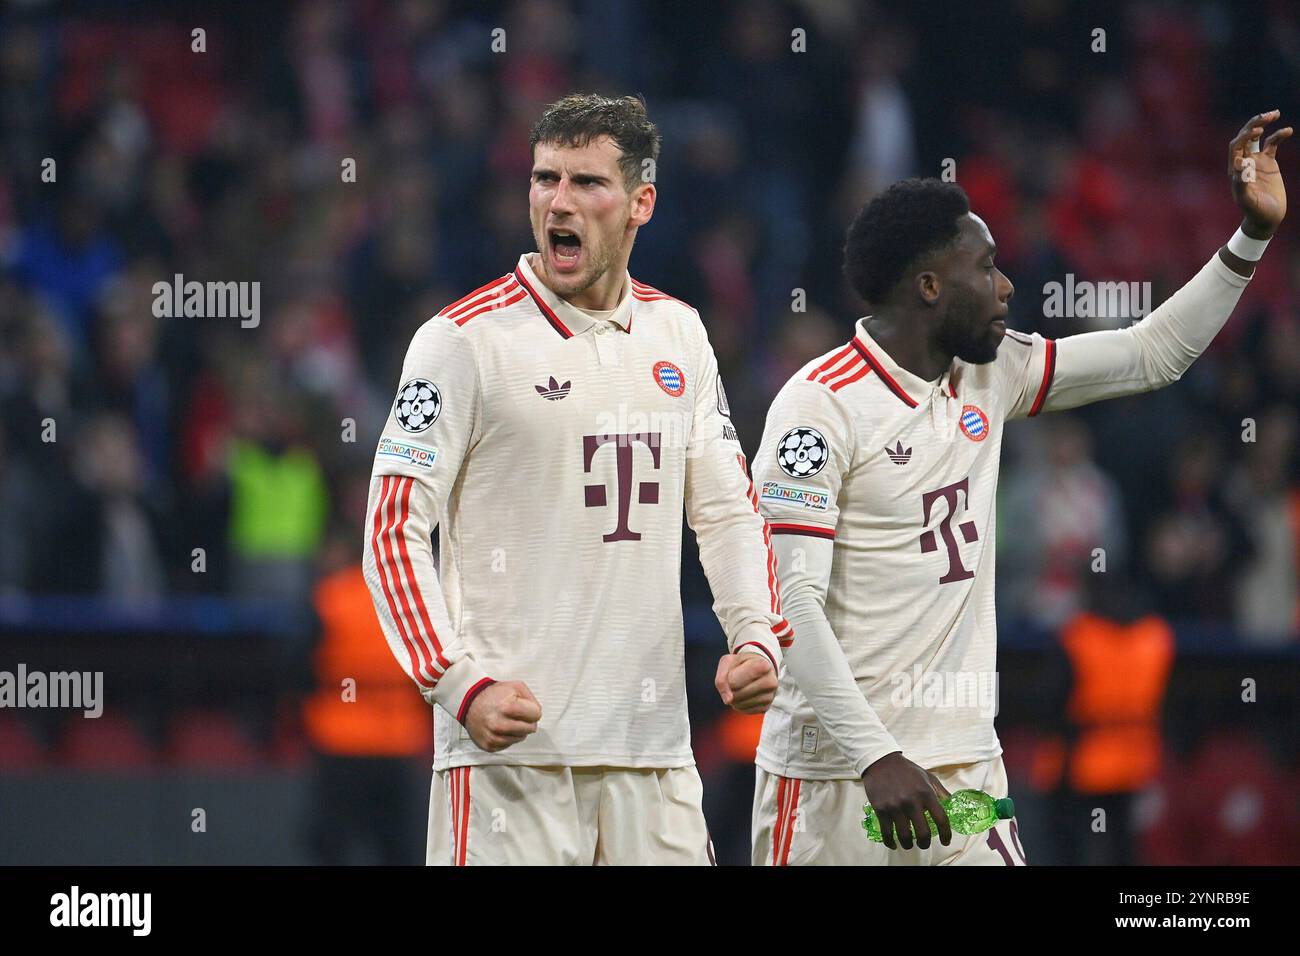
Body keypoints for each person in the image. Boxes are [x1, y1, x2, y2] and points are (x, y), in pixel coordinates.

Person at [751, 112, 1290, 865]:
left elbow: (1152, 355)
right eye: (987, 266)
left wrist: (1250, 240)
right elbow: (790, 609)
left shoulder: (990, 371)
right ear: (931, 285)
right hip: (837, 780)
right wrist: (876, 756)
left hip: (964, 763)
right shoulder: (819, 408)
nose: (1007, 284)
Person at [362, 93, 791, 865]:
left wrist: (756, 632)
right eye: (543, 178)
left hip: (653, 756)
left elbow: (727, 508)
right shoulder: (461, 343)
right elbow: (392, 529)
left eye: (587, 182)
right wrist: (458, 684)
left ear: (640, 203)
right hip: (512, 757)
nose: (558, 201)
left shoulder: (680, 333)